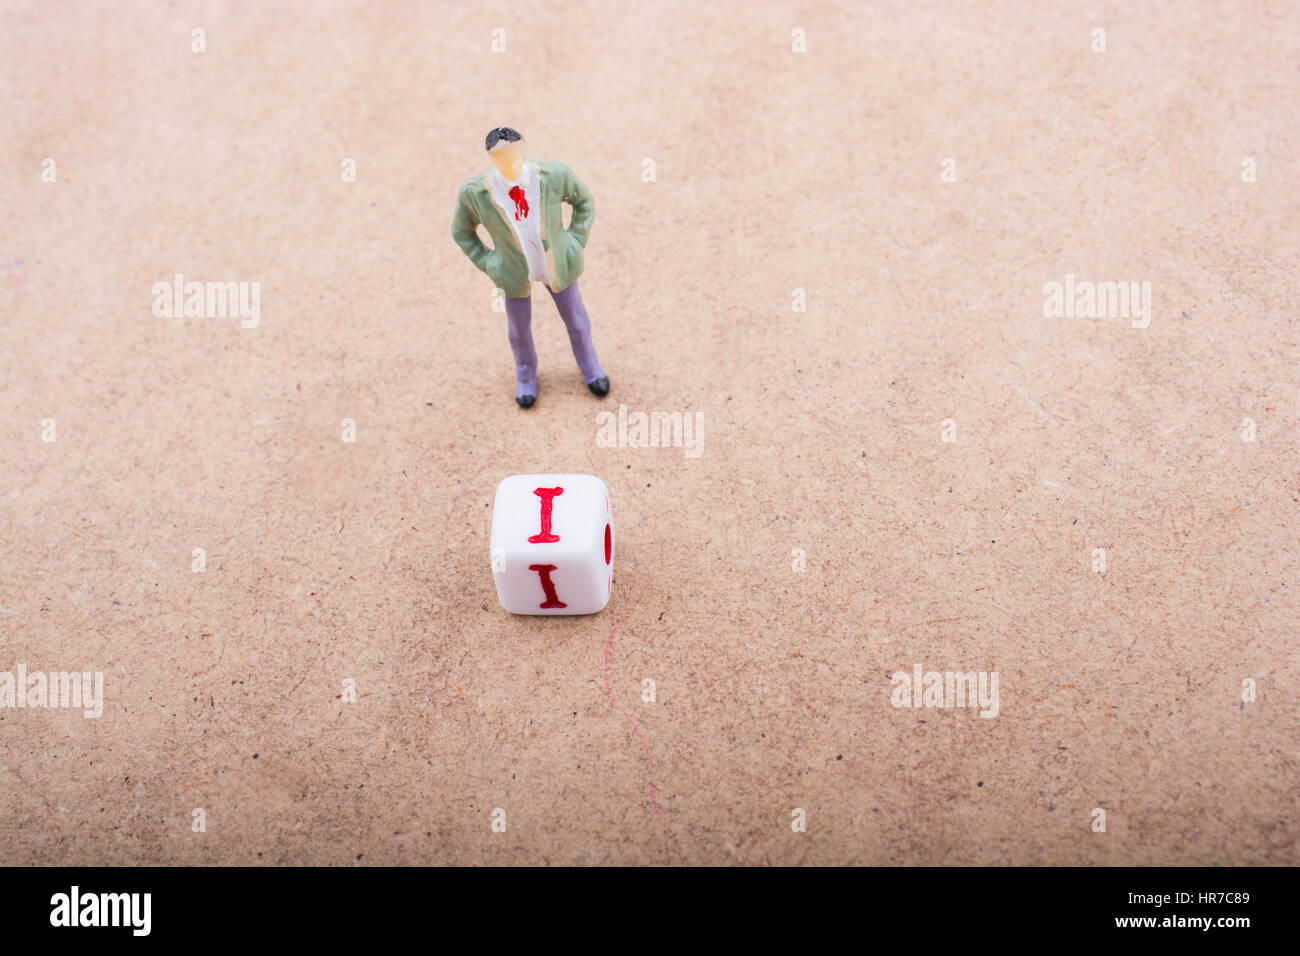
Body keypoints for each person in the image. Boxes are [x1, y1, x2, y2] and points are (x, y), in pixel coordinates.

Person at [451, 127, 610, 408]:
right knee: (519, 329)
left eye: (512, 154)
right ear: (489, 156)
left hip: (556, 263)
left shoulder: (555, 174)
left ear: (522, 147)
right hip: (512, 271)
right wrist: (488, 262)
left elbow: (584, 202)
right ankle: (526, 375)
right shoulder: (474, 193)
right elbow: (462, 232)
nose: (508, 162)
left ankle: (590, 367)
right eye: (500, 157)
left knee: (576, 319)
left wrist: (574, 241)